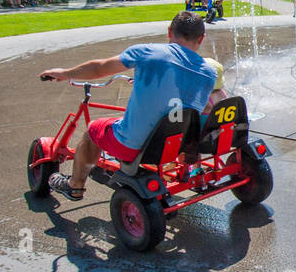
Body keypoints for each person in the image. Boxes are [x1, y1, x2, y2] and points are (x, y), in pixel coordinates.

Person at [38, 11, 215, 200]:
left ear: (170, 31)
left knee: (93, 130)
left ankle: (75, 185)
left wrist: (65, 73)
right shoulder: (209, 73)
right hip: (176, 146)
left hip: (134, 146)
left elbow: (99, 68)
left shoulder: (147, 52)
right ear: (201, 38)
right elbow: (191, 100)